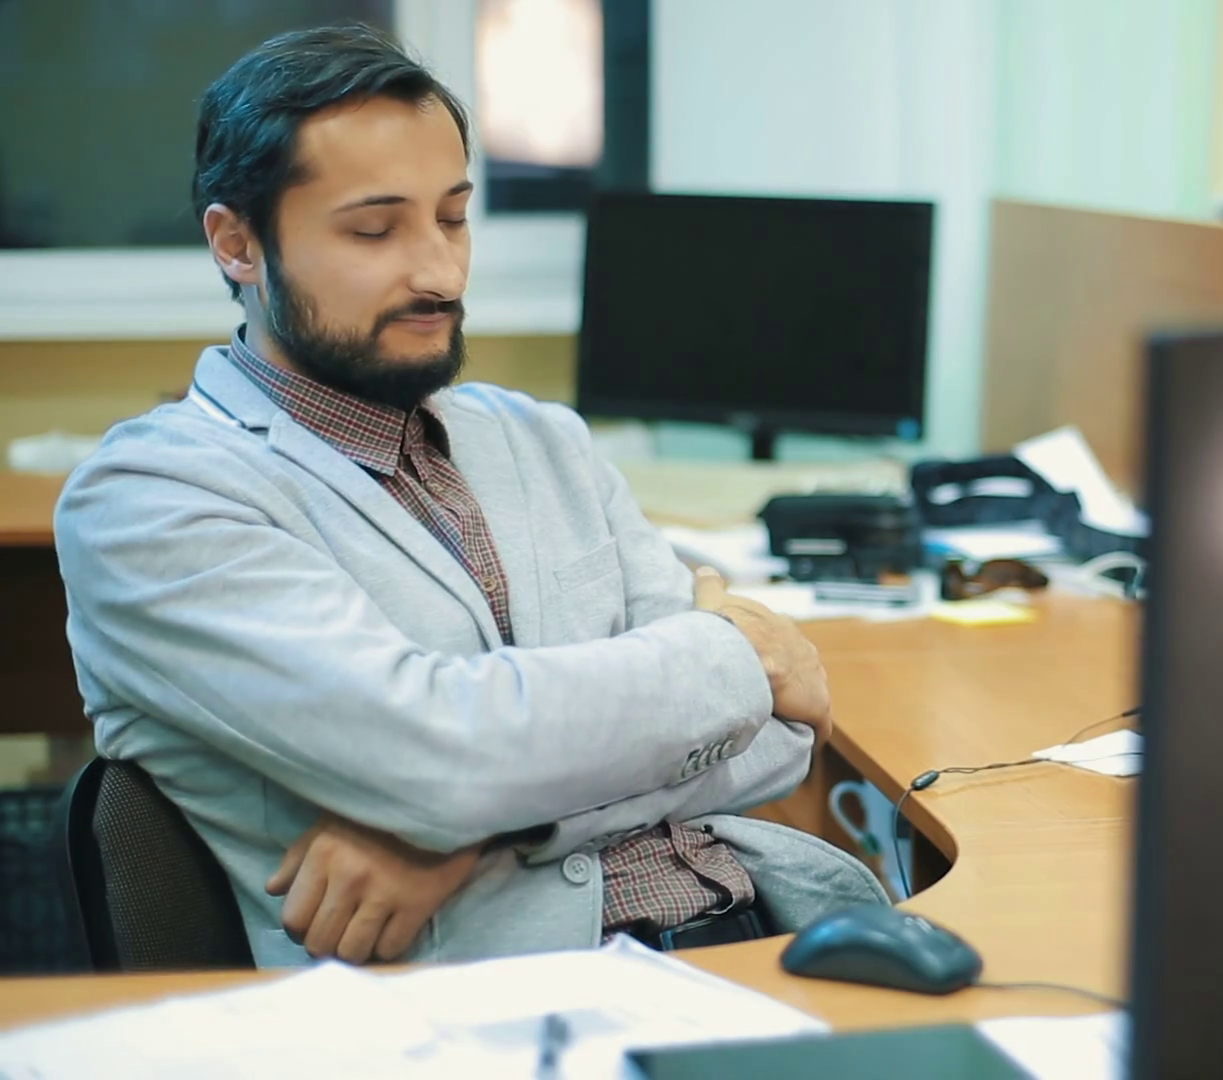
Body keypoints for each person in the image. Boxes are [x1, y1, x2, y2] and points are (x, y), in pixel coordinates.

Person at [53, 25, 886, 968]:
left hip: (753, 929)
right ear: (237, 243)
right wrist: (731, 652)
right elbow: (443, 753)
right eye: (375, 229)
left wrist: (473, 837)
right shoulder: (150, 499)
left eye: (453, 218)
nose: (440, 272)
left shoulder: (543, 440)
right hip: (496, 1004)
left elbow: (780, 740)